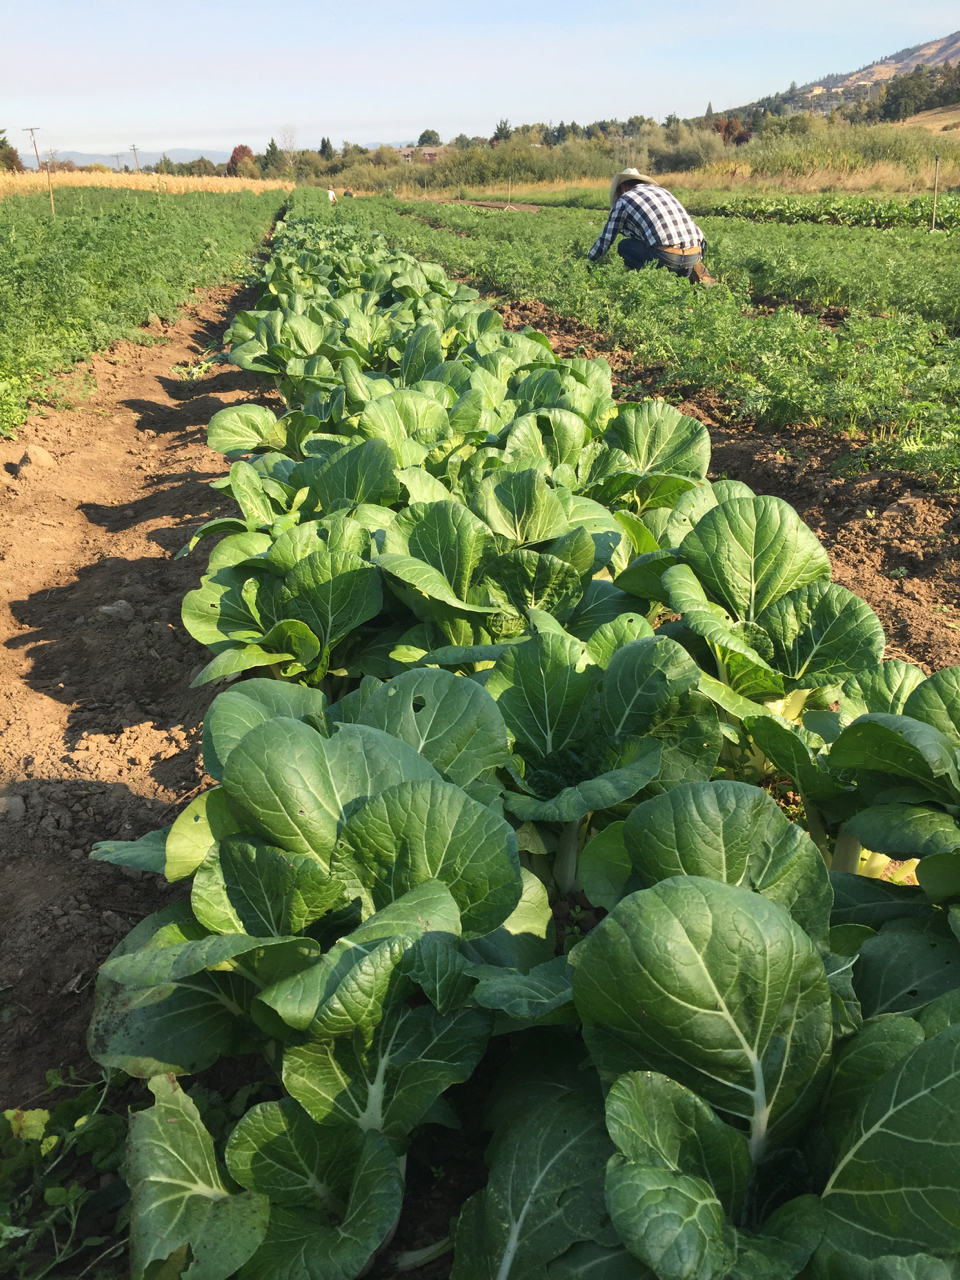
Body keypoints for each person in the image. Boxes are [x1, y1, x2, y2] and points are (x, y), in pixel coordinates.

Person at [587, 169, 712, 283]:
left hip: (667, 257)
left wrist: (589, 261)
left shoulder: (624, 199)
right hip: (695, 253)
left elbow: (606, 239)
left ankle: (650, 282)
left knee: (624, 246)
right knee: (679, 271)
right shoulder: (662, 191)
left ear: (623, 189)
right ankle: (693, 272)